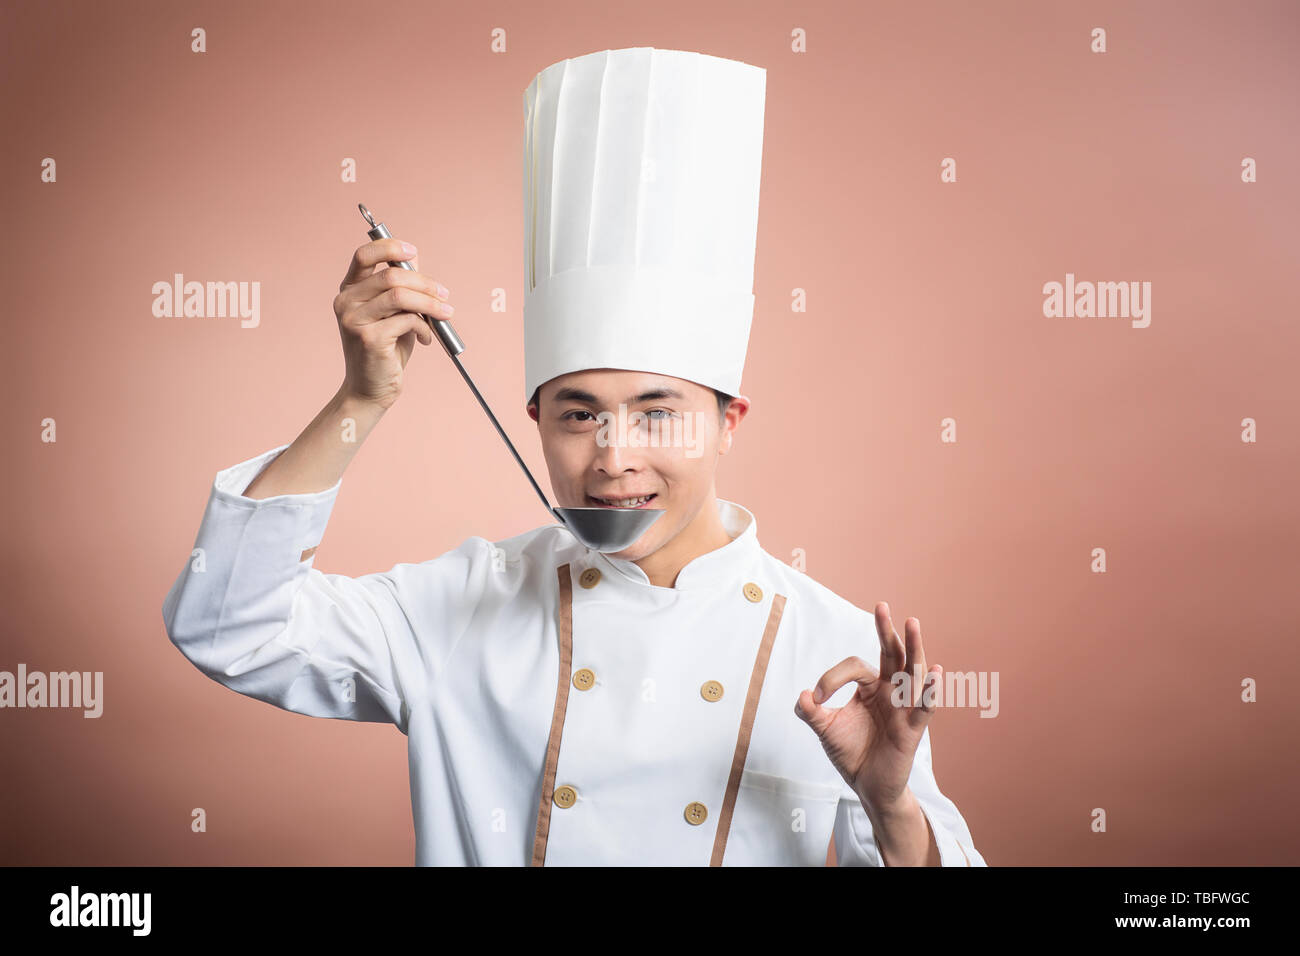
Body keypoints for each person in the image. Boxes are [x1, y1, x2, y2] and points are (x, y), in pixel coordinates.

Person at [162, 47, 985, 867]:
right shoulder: (460, 607)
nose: (613, 458)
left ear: (728, 420)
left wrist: (892, 807)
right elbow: (229, 626)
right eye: (580, 413)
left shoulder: (834, 645)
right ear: (536, 419)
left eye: (657, 413)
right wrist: (358, 402)